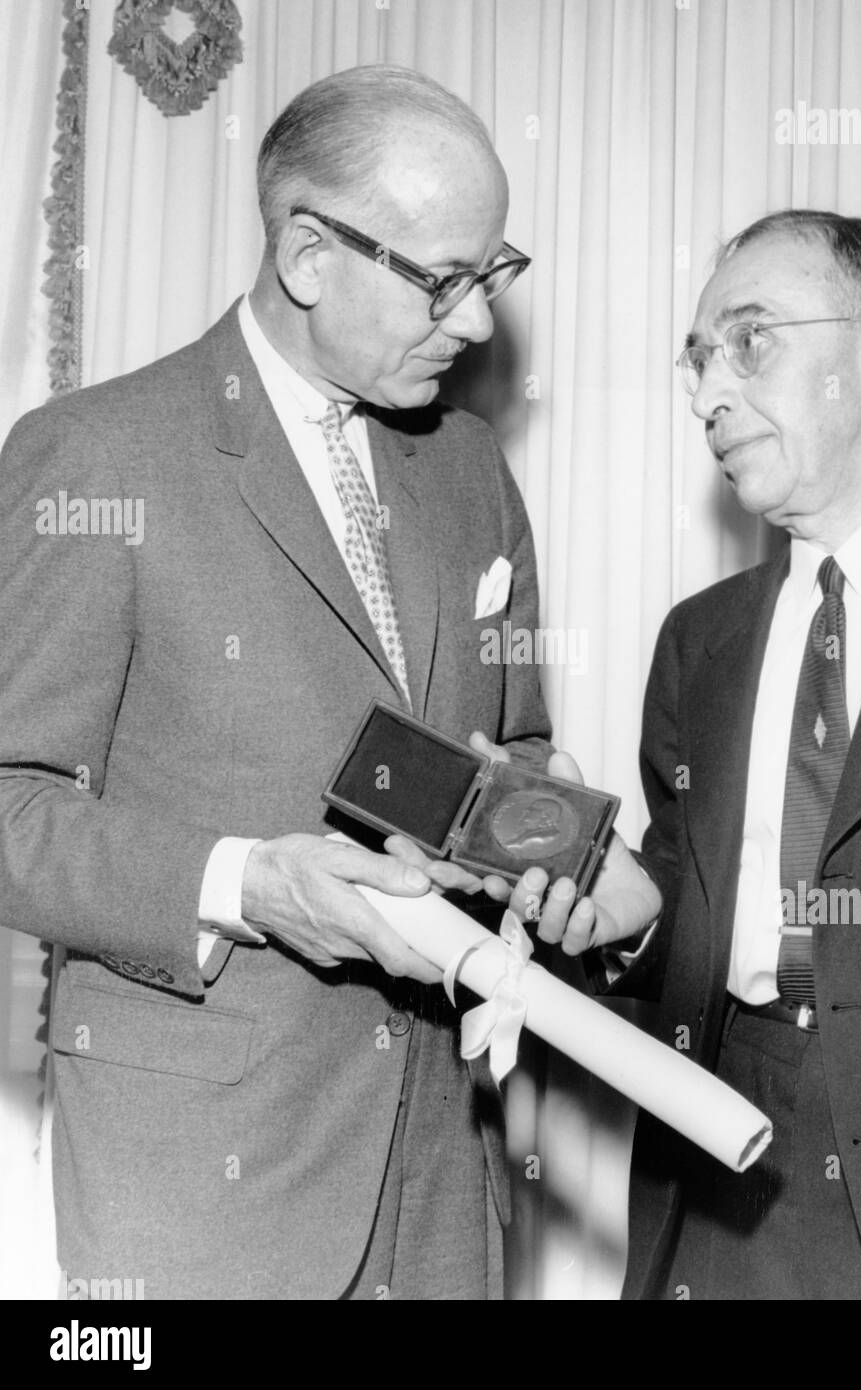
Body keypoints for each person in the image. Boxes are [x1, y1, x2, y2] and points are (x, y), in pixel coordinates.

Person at [0, 64, 552, 1300]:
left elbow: (515, 754)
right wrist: (246, 882)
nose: (475, 324)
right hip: (197, 1198)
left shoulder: (471, 471)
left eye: (492, 273)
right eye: (444, 280)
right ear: (308, 252)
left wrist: (563, 860)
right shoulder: (95, 457)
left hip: (440, 1186)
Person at [517, 211, 861, 1300]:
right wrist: (630, 918)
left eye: (750, 339)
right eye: (696, 357)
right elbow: (689, 901)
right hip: (728, 1196)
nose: (706, 391)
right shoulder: (699, 642)